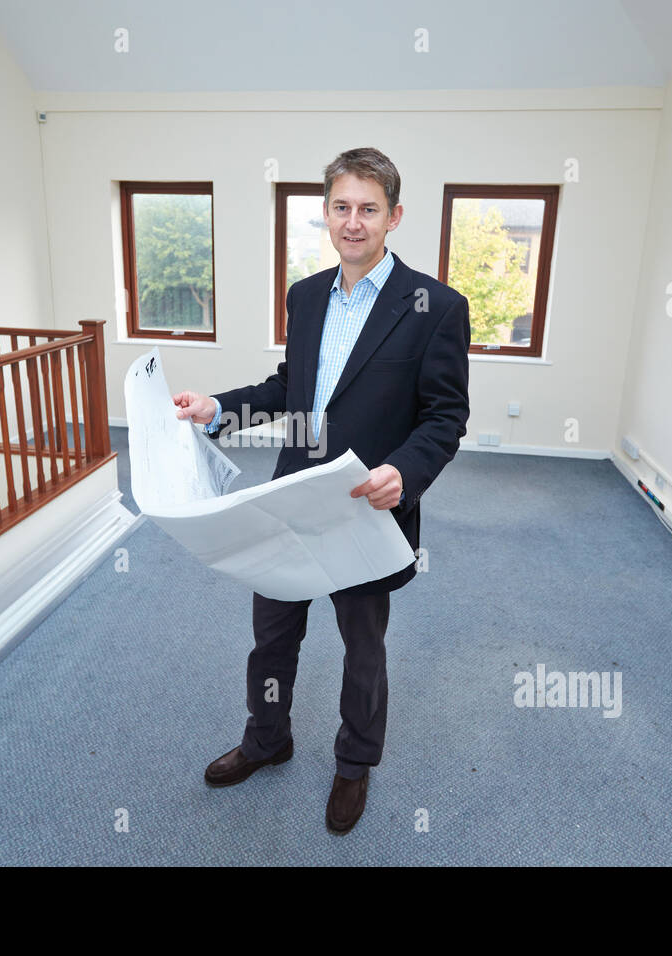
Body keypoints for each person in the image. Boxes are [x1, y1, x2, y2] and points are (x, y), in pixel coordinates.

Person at [172, 147, 470, 834]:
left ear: (394, 216)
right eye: (342, 207)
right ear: (326, 214)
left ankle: (355, 763)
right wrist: (216, 409)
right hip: (291, 499)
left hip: (369, 509)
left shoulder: (435, 308)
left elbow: (445, 416)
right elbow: (290, 389)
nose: (354, 222)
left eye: (369, 209)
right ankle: (267, 739)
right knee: (270, 635)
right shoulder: (306, 296)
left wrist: (407, 469)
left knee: (362, 647)